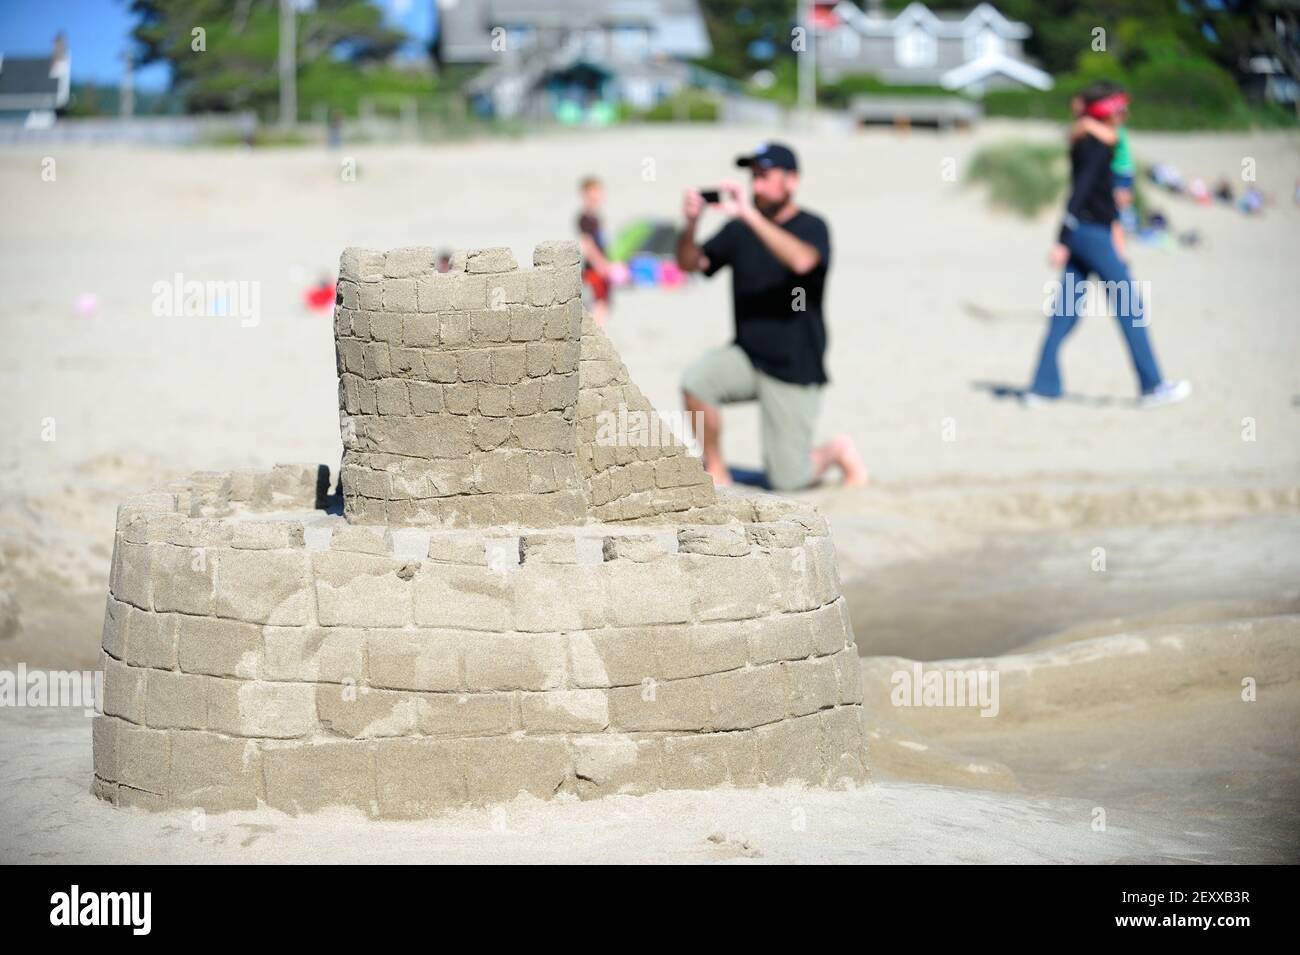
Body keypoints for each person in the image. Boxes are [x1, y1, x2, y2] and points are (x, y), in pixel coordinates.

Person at [675, 142, 866, 490]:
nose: (757, 185)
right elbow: (691, 264)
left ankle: (836, 450)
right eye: (754, 177)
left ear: (792, 181)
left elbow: (802, 261)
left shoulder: (813, 226)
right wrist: (690, 224)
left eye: (765, 176)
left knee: (789, 480)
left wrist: (749, 215)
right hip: (748, 357)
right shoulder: (738, 230)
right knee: (697, 382)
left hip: (795, 367)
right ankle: (716, 471)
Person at [1026, 86, 1191, 409]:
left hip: (1088, 232)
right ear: (1102, 112)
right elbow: (1080, 191)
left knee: (1065, 312)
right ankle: (1152, 385)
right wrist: (1062, 238)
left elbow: (1097, 192)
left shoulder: (1091, 139)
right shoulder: (1096, 145)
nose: (1124, 116)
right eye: (1118, 111)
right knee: (1130, 306)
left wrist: (1096, 234)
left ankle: (1041, 388)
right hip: (1090, 234)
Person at [576, 176, 613, 326]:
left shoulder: (595, 218)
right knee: (598, 306)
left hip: (599, 269)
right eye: (594, 191)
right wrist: (601, 265)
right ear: (585, 194)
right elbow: (586, 244)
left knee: (603, 305)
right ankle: (597, 336)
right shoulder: (586, 218)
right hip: (594, 271)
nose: (598, 195)